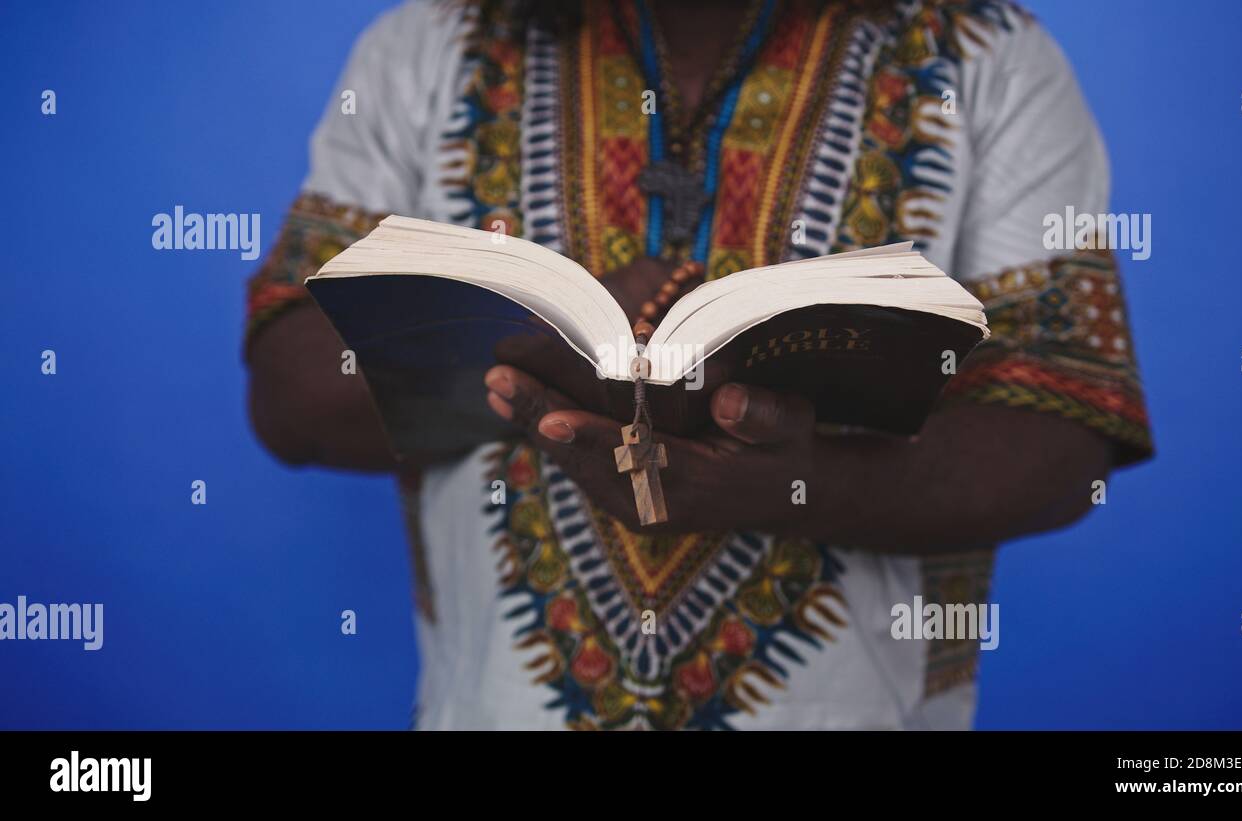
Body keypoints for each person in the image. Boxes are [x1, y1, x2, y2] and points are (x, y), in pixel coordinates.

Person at [245, 0, 1152, 729]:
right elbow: (292, 391)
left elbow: (1064, 431)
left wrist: (786, 486)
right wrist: (551, 346)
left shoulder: (984, 54)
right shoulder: (428, 46)